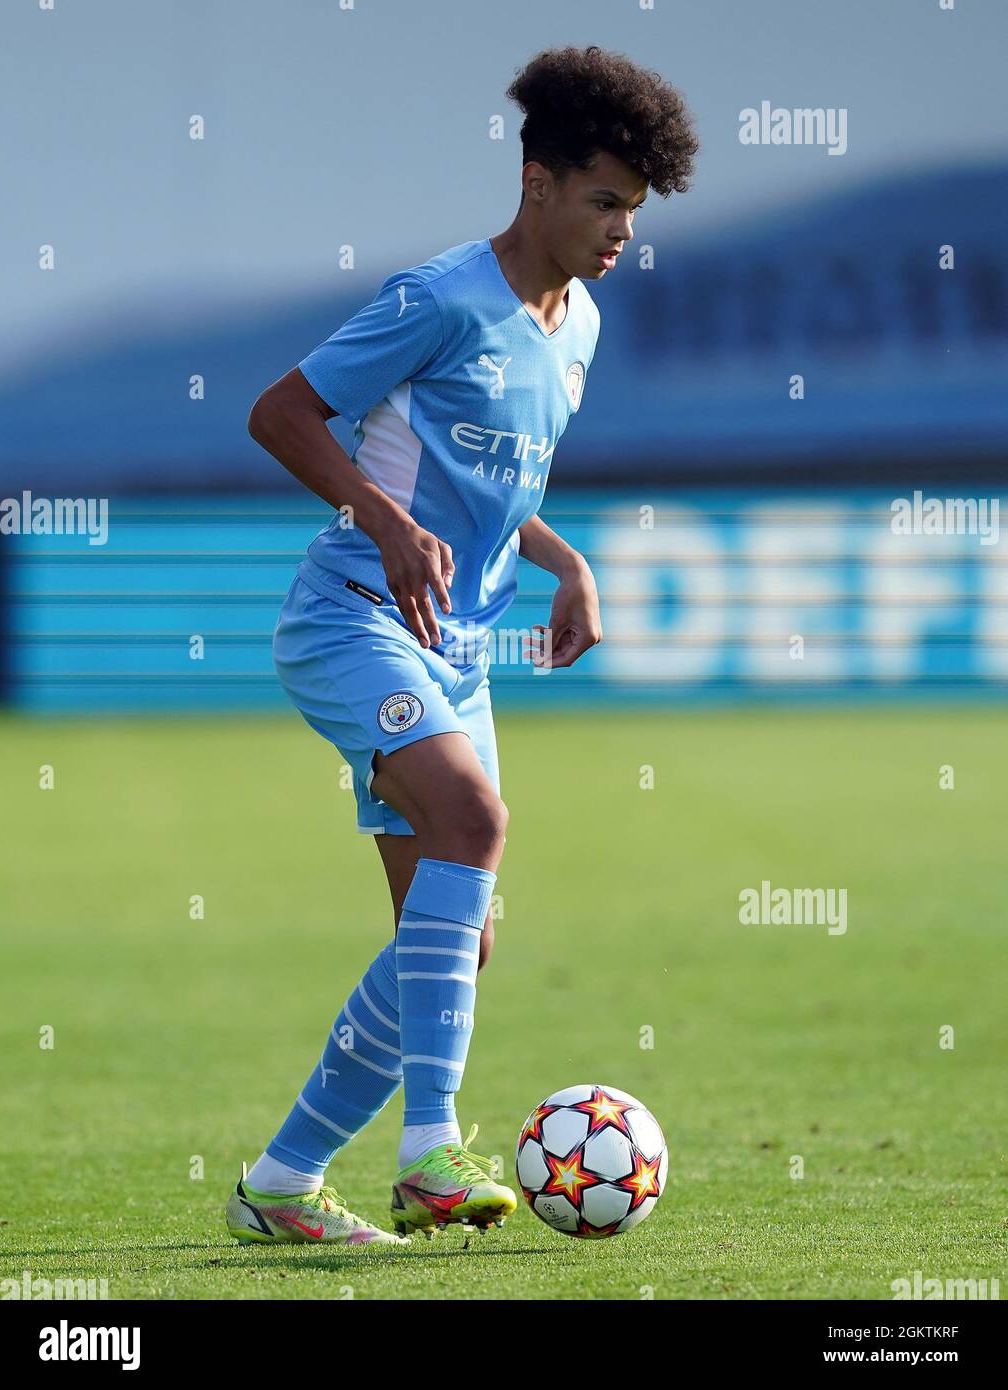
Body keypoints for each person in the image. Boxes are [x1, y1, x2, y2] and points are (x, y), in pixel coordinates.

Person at [225, 43, 697, 1248]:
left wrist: (567, 560)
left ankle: (281, 1185)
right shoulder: (437, 297)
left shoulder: (577, 324)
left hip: (460, 645)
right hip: (350, 615)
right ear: (536, 182)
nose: (617, 232)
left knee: (454, 940)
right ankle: (433, 1152)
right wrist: (381, 522)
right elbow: (281, 412)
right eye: (602, 202)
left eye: (632, 213)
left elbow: (496, 482)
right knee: (474, 824)